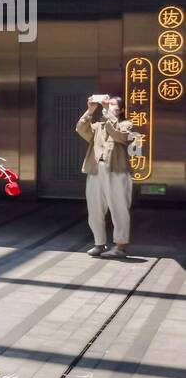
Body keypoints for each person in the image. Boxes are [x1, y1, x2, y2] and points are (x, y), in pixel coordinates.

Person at [77, 93, 135, 257]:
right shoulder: (98, 126)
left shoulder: (126, 124)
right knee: (94, 208)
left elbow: (120, 135)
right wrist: (90, 111)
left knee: (119, 208)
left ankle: (120, 246)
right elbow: (81, 129)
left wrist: (106, 112)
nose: (108, 106)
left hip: (117, 170)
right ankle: (99, 243)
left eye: (112, 105)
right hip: (95, 170)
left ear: (122, 109)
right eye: (107, 104)